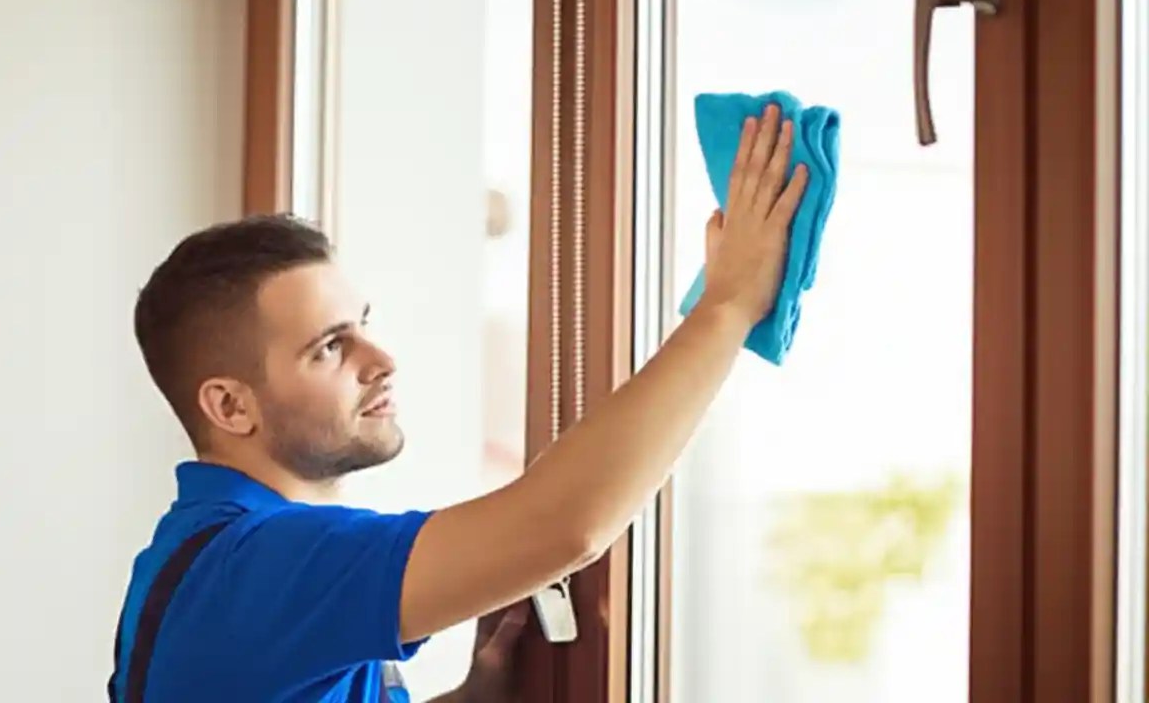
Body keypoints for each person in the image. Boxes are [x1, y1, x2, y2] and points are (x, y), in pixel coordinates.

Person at [110, 104, 806, 702]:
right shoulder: (255, 566)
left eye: (363, 326)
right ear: (231, 407)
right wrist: (727, 306)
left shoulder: (213, 558)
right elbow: (564, 527)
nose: (380, 360)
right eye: (329, 347)